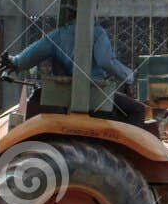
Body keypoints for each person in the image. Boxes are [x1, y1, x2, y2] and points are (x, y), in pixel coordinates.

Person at [10, 19, 147, 125]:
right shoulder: (97, 32)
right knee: (138, 110)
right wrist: (129, 76)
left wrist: (11, 61)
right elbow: (106, 62)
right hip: (94, 96)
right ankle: (118, 152)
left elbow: (21, 61)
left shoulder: (57, 35)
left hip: (64, 93)